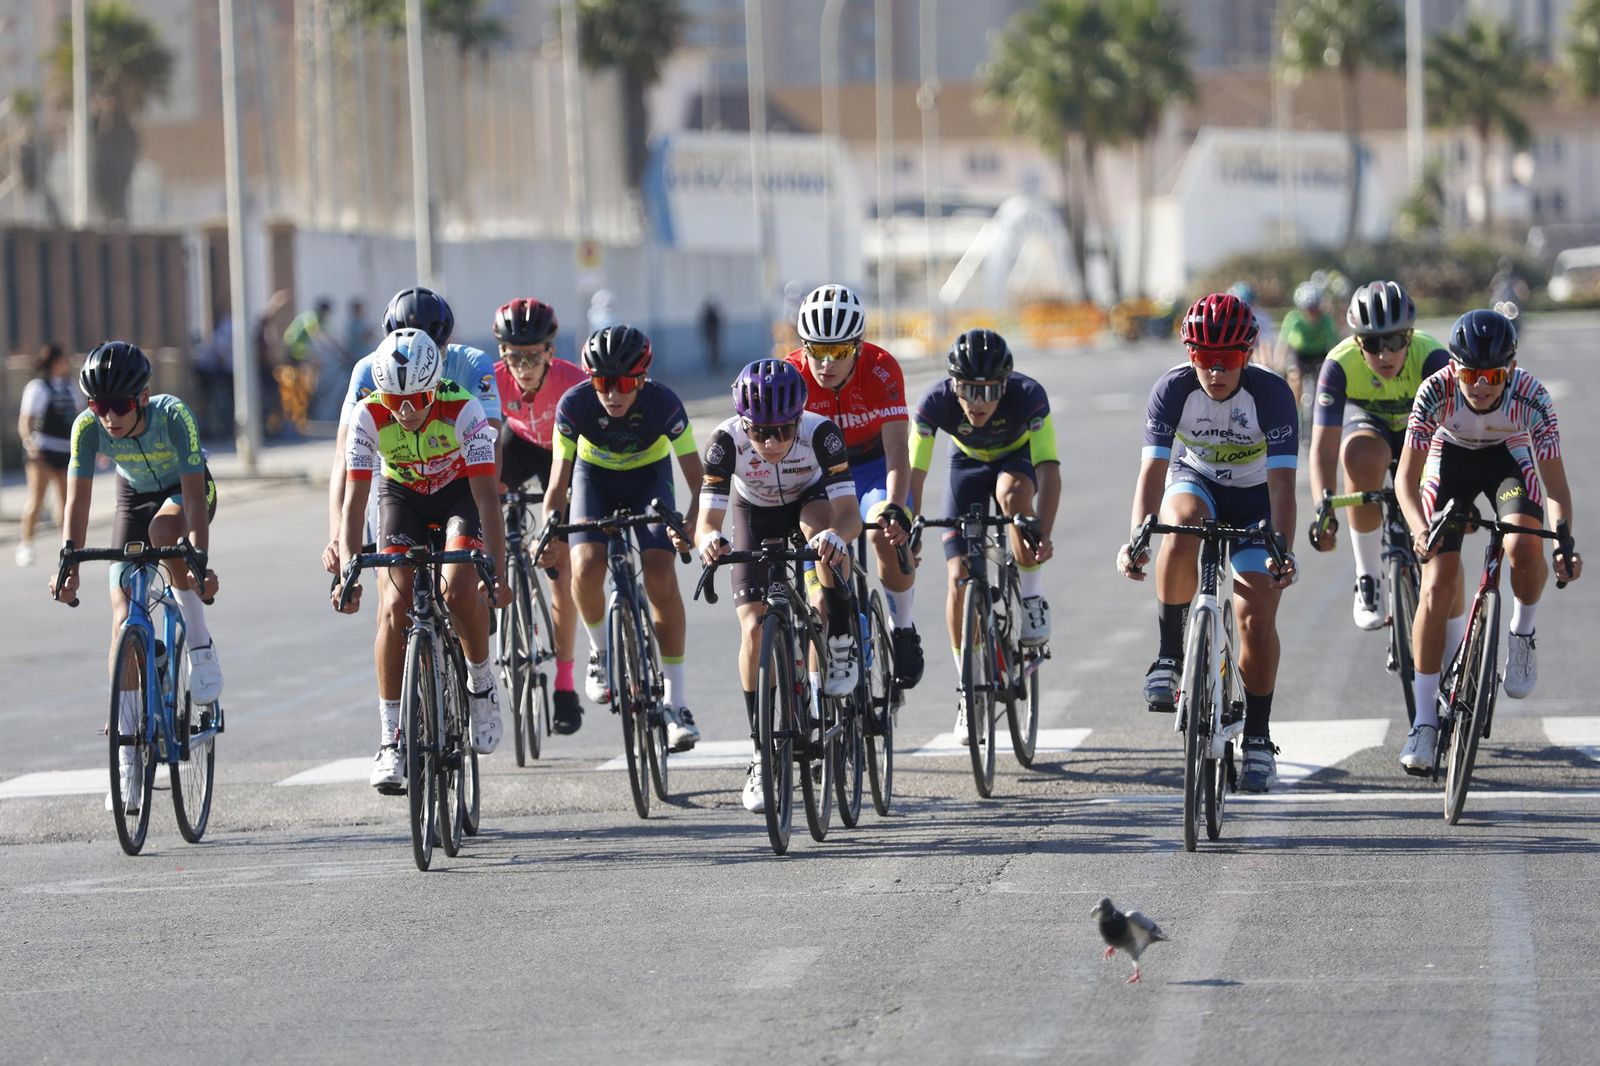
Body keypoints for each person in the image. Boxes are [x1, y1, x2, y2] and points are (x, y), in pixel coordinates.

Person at [1116, 293, 1299, 793]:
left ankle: (1257, 736)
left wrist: (1283, 548)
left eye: (1229, 359)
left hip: (1257, 499)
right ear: (1189, 353)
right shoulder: (1172, 389)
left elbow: (1283, 486)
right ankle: (1168, 656)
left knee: (1255, 619)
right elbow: (1152, 471)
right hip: (1197, 482)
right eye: (1204, 358)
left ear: (1247, 354)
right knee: (1179, 526)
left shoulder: (1272, 395)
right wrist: (1137, 537)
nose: (1216, 371)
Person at [1394, 309, 1581, 773]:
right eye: (1470, 375)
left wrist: (1563, 543)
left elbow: (1556, 488)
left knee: (1524, 544)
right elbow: (1406, 479)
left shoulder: (1532, 397)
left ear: (1510, 370)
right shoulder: (1434, 391)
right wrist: (1419, 530)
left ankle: (1522, 633)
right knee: (1436, 583)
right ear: (1453, 368)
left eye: (1493, 376)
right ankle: (1423, 721)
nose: (1480, 386)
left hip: (1507, 459)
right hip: (1449, 459)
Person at [49, 342, 224, 813]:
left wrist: (199, 560)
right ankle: (127, 764)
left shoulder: (174, 416)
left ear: (142, 397)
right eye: (98, 405)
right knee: (122, 614)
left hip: (185, 490)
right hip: (133, 496)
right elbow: (77, 502)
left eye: (119, 405)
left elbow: (194, 495)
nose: (109, 417)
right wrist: (69, 563)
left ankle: (200, 643)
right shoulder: (86, 428)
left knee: (164, 533)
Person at [331, 329, 508, 792]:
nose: (407, 411)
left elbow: (487, 500)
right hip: (402, 496)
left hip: (458, 494)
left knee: (459, 589)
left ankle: (481, 684)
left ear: (436, 386)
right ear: (381, 394)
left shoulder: (464, 409)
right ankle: (391, 739)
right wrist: (349, 570)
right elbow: (355, 503)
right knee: (394, 605)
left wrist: (497, 573)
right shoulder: (369, 415)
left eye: (418, 399)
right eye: (396, 400)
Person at [696, 359, 860, 812]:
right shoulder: (724, 442)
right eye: (760, 432)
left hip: (810, 503)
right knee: (753, 628)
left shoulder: (821, 434)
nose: (771, 442)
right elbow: (706, 521)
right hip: (753, 512)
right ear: (743, 424)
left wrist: (836, 536)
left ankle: (837, 639)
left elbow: (850, 515)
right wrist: (709, 540)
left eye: (783, 431)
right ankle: (760, 753)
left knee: (820, 544)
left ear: (798, 420)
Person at [538, 325, 704, 752]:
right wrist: (549, 531)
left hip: (649, 479)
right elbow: (557, 484)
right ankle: (600, 652)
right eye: (602, 383)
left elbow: (699, 481)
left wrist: (691, 524)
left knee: (660, 570)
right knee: (585, 564)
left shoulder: (664, 403)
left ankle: (676, 702)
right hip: (593, 479)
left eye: (625, 384)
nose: (612, 394)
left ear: (642, 379)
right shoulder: (573, 404)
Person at [908, 329, 1060, 742]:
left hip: (1016, 459)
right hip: (967, 464)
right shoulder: (934, 402)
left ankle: (1031, 597)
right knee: (959, 578)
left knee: (1012, 497)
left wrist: (1042, 531)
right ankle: (968, 688)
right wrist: (909, 526)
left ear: (1005, 385)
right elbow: (914, 473)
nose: (978, 403)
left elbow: (1048, 468)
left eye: (989, 391)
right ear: (952, 384)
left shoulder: (1029, 395)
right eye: (967, 391)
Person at [784, 284, 924, 689]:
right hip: (820, 474)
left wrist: (896, 507)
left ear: (858, 347)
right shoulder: (792, 375)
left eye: (839, 351)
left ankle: (903, 627)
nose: (826, 363)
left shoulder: (882, 369)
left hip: (872, 465)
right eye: (817, 350)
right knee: (819, 547)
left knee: (883, 533)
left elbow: (897, 451)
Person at [322, 286, 502, 578]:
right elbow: (344, 455)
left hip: (457, 468)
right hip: (396, 469)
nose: (418, 357)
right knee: (390, 582)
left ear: (446, 343)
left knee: (463, 579)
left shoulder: (472, 362)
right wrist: (336, 535)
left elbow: (492, 441)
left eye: (433, 349)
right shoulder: (369, 369)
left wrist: (489, 523)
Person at [1307, 280, 1450, 630]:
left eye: (1395, 341)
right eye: (1373, 344)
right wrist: (1324, 508)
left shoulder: (1433, 357)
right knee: (1360, 456)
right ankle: (1368, 577)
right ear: (1358, 342)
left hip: (1421, 432)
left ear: (1410, 337)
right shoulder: (1339, 363)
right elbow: (1324, 447)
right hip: (1370, 426)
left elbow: (1453, 436)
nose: (1385, 354)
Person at [492, 297, 588, 734]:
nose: (525, 366)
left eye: (533, 356)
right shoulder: (492, 380)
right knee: (482, 494)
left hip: (563, 455)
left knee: (560, 569)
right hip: (521, 446)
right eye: (516, 357)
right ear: (503, 353)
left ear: (550, 351)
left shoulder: (573, 382)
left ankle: (565, 685)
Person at [16, 342, 81, 567]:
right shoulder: (38, 387)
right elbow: (26, 421)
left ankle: (66, 547)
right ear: (54, 362)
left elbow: (80, 416)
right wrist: (30, 444)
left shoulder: (70, 386)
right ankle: (26, 544)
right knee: (37, 498)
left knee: (66, 502)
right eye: (63, 359)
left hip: (65, 450)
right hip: (43, 451)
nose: (67, 363)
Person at [1273, 281, 1340, 415]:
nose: (1312, 313)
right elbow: (1283, 342)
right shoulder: (1293, 318)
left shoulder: (1326, 320)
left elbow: (1335, 343)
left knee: (1326, 379)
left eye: (1315, 308)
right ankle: (1293, 410)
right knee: (1295, 377)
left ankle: (1322, 410)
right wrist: (1278, 363)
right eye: (1308, 309)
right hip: (1300, 353)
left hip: (1319, 353)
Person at [192, 309, 236, 440]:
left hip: (212, 369)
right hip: (207, 370)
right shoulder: (226, 331)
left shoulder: (227, 328)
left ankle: (211, 425)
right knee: (207, 400)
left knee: (210, 400)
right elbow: (221, 356)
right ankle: (207, 427)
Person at [699, 298, 723, 371]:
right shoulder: (710, 315)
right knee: (713, 353)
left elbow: (717, 325)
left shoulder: (710, 315)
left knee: (714, 352)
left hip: (713, 337)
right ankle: (714, 366)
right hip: (712, 337)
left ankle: (715, 366)